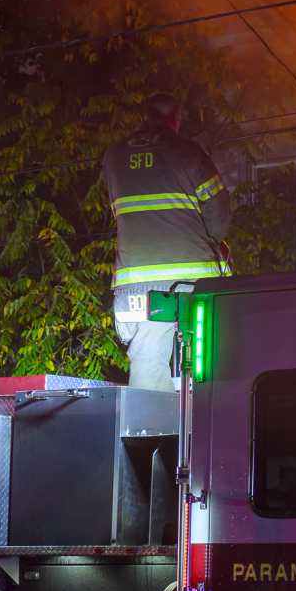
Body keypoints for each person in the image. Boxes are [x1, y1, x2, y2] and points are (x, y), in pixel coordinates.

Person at [101, 92, 232, 389]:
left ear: (145, 116)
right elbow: (219, 212)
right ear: (176, 118)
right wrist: (213, 241)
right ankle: (208, 419)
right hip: (193, 278)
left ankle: (150, 430)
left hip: (137, 282)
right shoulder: (188, 152)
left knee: (146, 354)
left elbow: (117, 210)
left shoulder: (113, 157)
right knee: (209, 349)